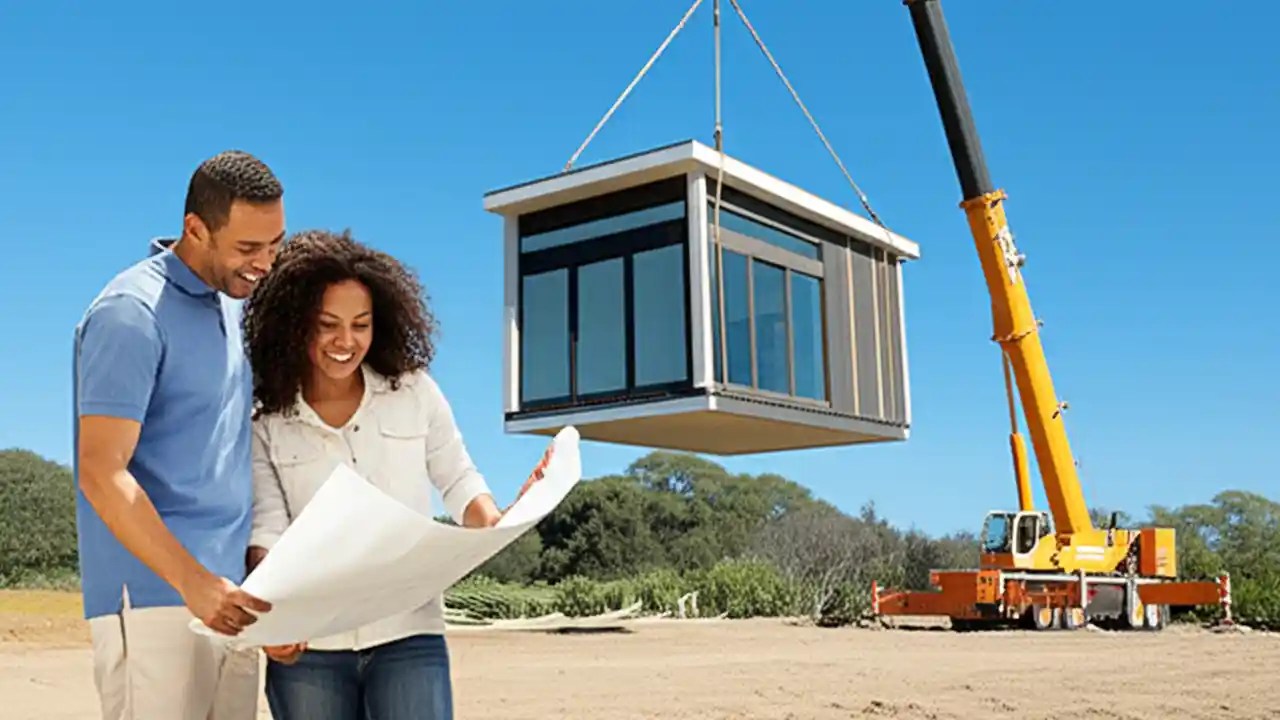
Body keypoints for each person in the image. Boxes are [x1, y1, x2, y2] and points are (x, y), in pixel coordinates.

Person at [241, 228, 549, 719]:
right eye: (328, 324)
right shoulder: (267, 419)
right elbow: (268, 529)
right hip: (311, 648)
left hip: (410, 635)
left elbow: (458, 479)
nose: (346, 341)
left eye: (360, 324)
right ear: (296, 325)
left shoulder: (414, 392)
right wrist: (271, 617)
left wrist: (504, 519)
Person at [72, 149, 288, 719]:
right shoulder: (129, 314)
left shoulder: (235, 309)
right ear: (195, 228)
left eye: (274, 244)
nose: (264, 263)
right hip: (153, 601)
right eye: (248, 248)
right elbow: (100, 470)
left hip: (230, 597)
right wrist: (194, 582)